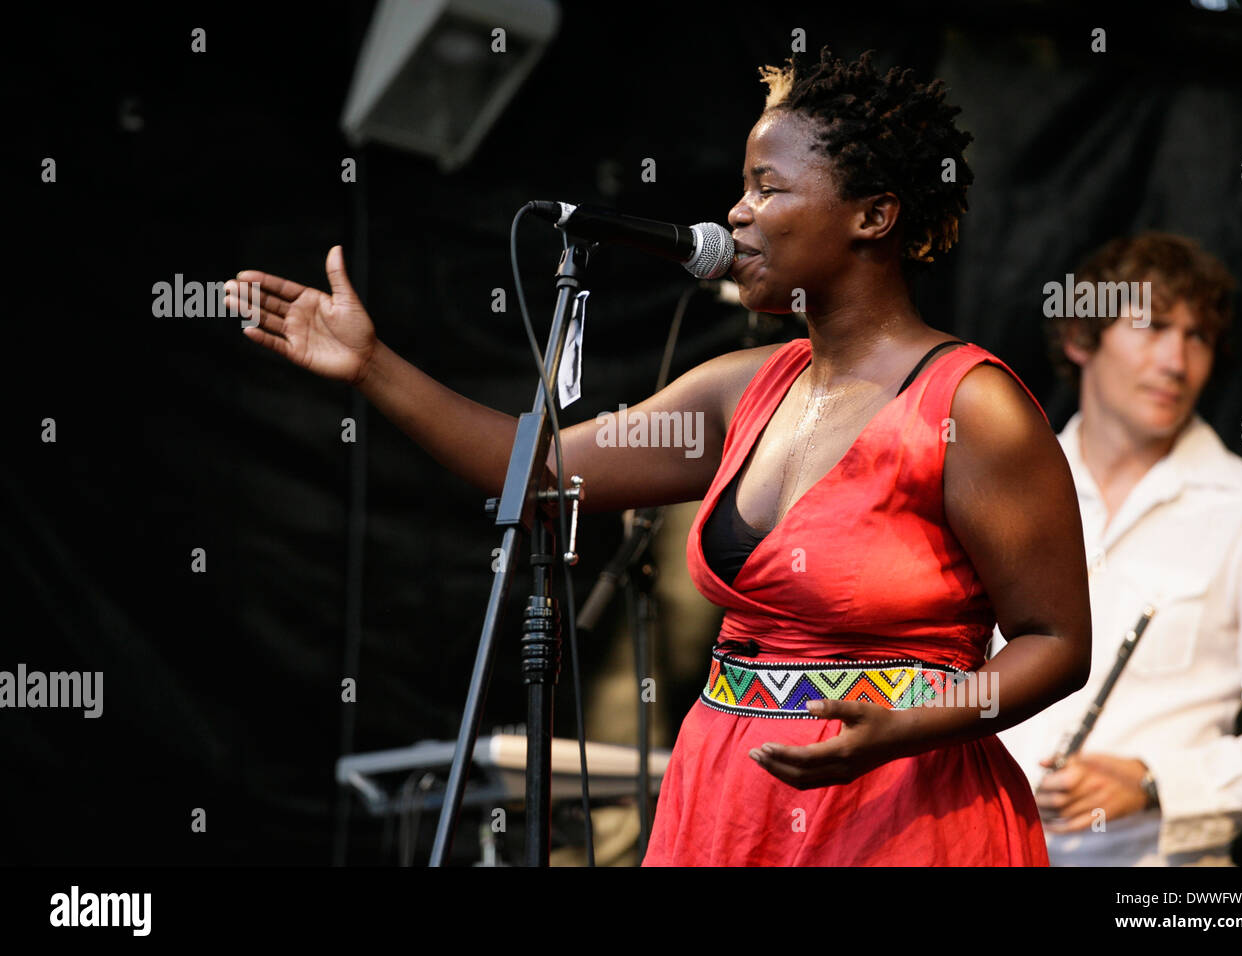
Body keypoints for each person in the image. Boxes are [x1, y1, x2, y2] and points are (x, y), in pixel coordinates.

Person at [227, 48, 1092, 866]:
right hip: (725, 801)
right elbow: (533, 474)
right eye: (740, 190)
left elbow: (1057, 641)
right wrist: (372, 366)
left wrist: (916, 724)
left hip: (900, 811)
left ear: (873, 215)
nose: (737, 213)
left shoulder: (972, 407)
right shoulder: (737, 389)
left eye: (767, 187)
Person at [993, 232, 1242, 866]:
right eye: (1154, 326)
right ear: (1080, 339)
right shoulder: (999, 488)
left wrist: (1156, 782)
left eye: (1198, 338)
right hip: (984, 853)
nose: (1176, 362)